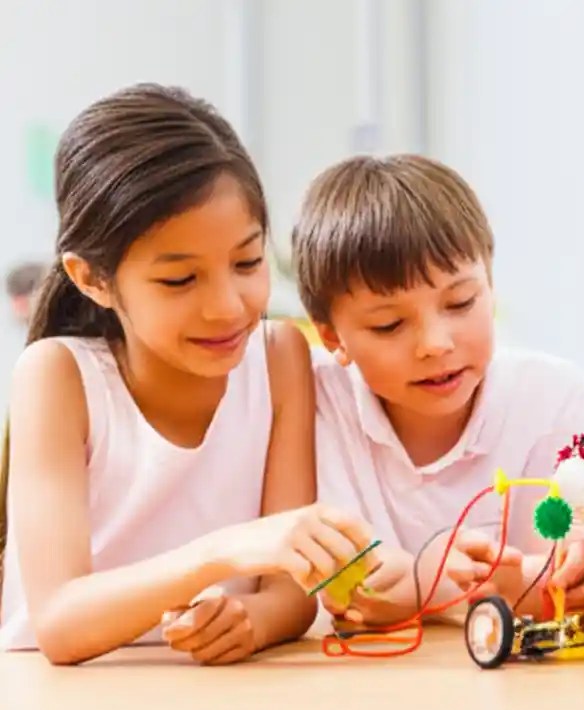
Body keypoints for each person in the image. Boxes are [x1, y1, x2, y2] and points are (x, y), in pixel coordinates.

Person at [0, 83, 371, 666]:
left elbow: (292, 592)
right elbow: (60, 623)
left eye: (248, 262)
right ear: (92, 278)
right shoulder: (59, 377)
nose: (227, 306)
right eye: (179, 280)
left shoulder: (278, 358)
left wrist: (252, 620)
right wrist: (222, 554)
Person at [294, 154, 584, 627]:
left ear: (491, 285)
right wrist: (433, 582)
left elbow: (568, 583)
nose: (435, 345)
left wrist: (423, 586)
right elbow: (339, 592)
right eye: (389, 325)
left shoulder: (556, 400)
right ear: (332, 337)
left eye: (461, 302)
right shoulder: (314, 405)